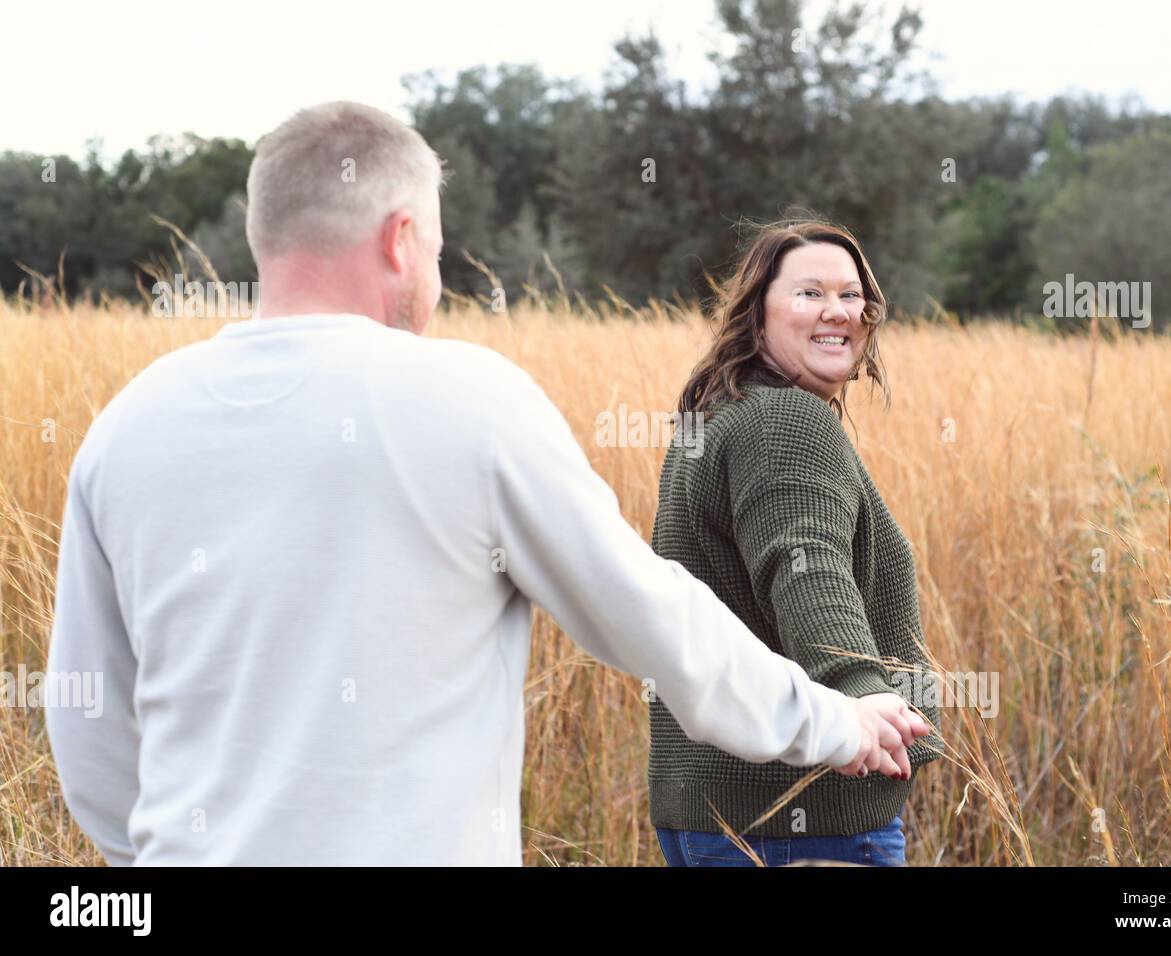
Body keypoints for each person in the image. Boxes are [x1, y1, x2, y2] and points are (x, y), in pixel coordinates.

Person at [42, 103, 926, 866]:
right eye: (433, 246)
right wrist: (834, 721)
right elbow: (652, 616)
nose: (433, 275)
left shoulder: (126, 426)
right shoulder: (466, 400)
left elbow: (88, 731)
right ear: (399, 238)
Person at [649, 220, 945, 867]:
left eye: (851, 293)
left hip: (721, 809)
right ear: (757, 317)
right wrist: (859, 689)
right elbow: (805, 564)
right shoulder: (785, 420)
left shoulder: (724, 415)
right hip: (798, 818)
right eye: (810, 293)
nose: (838, 310)